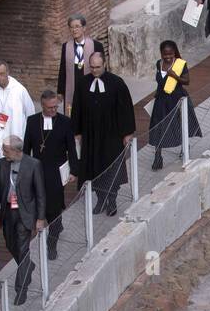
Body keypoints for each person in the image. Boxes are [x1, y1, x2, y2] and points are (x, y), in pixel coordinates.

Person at [72, 52, 135, 217]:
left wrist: (127, 133)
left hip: (112, 135)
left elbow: (126, 109)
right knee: (94, 169)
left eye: (97, 67)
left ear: (104, 65)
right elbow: (77, 108)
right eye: (91, 67)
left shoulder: (116, 83)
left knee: (112, 168)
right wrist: (77, 131)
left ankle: (112, 199)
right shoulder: (82, 84)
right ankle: (101, 199)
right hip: (91, 135)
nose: (94, 70)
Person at [0, 135, 47, 304]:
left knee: (22, 249)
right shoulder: (1, 164)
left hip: (25, 213)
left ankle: (21, 290)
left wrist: (40, 218)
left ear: (16, 150)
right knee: (10, 244)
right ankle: (28, 266)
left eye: (5, 150)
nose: (2, 152)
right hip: (8, 211)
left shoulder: (33, 164)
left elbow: (40, 194)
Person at [24, 90, 78, 260]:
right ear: (42, 106)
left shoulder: (65, 122)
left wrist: (74, 171)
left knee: (54, 208)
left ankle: (51, 244)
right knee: (42, 205)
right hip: (38, 171)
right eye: (50, 108)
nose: (53, 110)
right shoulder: (32, 122)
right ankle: (55, 224)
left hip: (56, 173)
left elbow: (71, 148)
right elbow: (26, 149)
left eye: (56, 107)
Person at [150, 41, 202, 171]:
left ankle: (185, 148)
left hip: (176, 98)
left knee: (180, 124)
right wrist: (157, 92)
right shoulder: (159, 64)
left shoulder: (179, 64)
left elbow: (187, 81)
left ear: (174, 52)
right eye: (165, 54)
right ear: (161, 53)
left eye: (170, 53)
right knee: (159, 126)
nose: (167, 56)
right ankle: (158, 157)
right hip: (161, 100)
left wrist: (175, 76)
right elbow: (160, 81)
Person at [0, 61, 36, 187]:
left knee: (16, 169)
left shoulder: (19, 90)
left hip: (16, 135)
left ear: (8, 73)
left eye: (2, 74)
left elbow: (31, 113)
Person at [56, 14, 105, 117]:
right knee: (72, 114)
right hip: (72, 87)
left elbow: (102, 69)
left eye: (77, 26)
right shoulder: (66, 46)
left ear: (84, 28)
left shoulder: (96, 45)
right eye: (71, 27)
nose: (74, 30)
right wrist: (60, 91)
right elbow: (63, 69)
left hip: (91, 86)